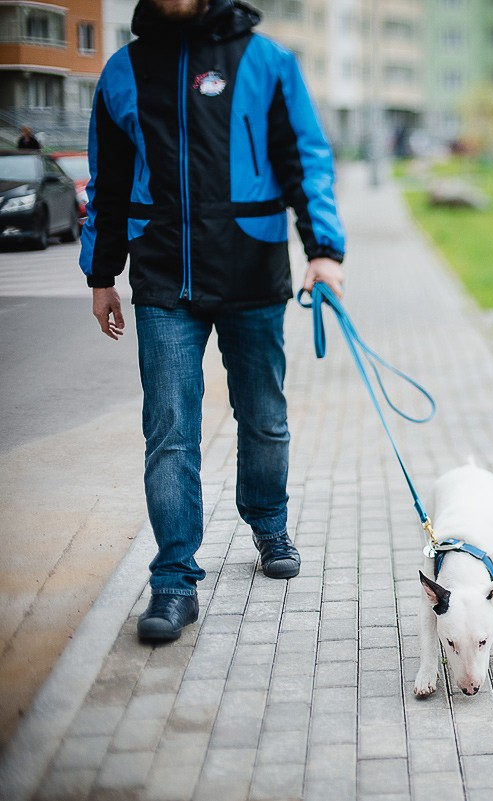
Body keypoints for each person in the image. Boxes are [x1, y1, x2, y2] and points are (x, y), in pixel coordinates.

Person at [81, 0, 346, 642]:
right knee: (169, 428)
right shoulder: (123, 70)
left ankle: (268, 518)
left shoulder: (266, 60)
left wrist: (325, 251)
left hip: (252, 271)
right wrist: (100, 274)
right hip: (163, 277)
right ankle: (173, 579)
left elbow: (303, 158)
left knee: (264, 415)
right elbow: (109, 180)